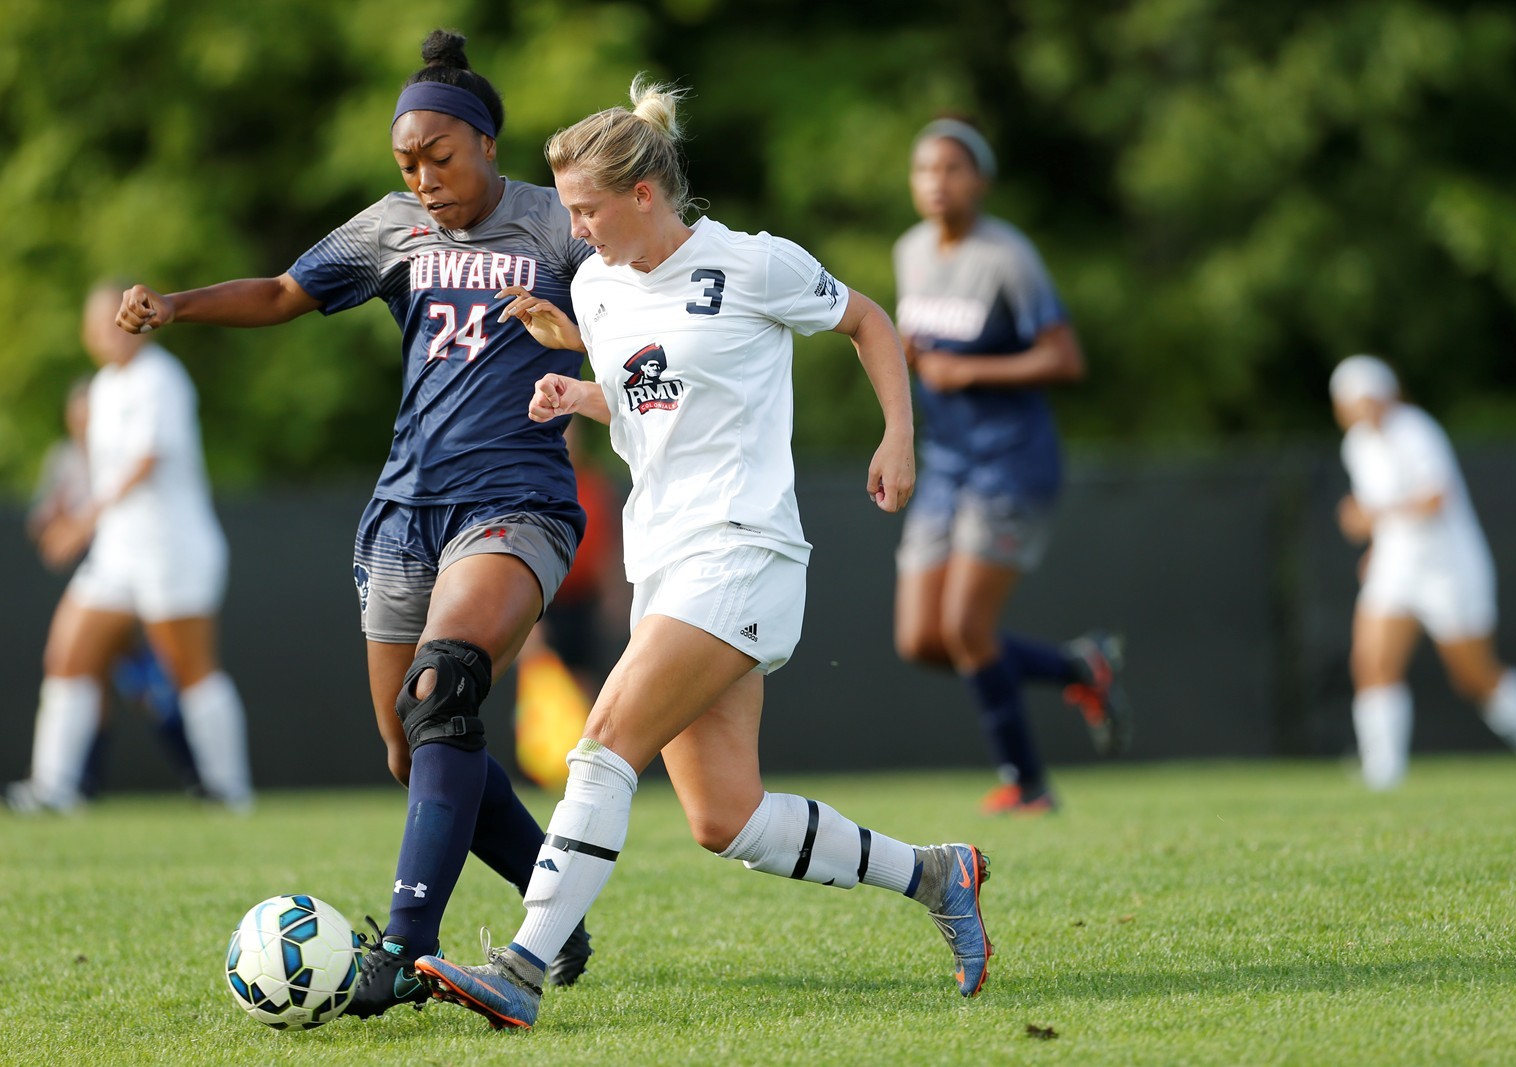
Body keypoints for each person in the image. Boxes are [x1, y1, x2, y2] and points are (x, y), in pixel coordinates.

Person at [413, 76, 994, 1032]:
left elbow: (868, 321)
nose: (576, 230)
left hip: (743, 548)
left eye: (587, 210)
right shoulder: (597, 286)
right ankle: (936, 874)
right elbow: (650, 393)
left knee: (603, 742)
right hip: (665, 561)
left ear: (644, 194)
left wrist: (900, 435)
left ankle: (521, 965)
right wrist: (579, 389)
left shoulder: (753, 264)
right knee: (726, 818)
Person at [112, 30, 595, 1017]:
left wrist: (587, 343)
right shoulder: (391, 228)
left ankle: (404, 950)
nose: (422, 179)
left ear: (487, 142)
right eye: (407, 163)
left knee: (441, 688)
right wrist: (177, 306)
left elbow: (645, 321)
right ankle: (555, 899)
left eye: (438, 157)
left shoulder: (558, 227)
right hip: (403, 512)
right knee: (413, 746)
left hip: (517, 501)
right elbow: (284, 293)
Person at [890, 117, 1130, 816]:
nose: (937, 182)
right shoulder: (910, 250)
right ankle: (1077, 666)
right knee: (922, 639)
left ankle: (1028, 784)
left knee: (967, 629)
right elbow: (918, 344)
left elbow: (1065, 357)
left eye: (952, 168)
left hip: (1010, 461)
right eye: (925, 169)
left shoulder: (1007, 257)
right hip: (946, 462)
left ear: (981, 180)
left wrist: (970, 370)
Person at [6, 283, 250, 815]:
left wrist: (81, 524)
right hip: (118, 553)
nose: (111, 330)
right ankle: (53, 789)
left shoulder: (161, 377)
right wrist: (71, 515)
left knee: (191, 670)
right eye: (99, 323)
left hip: (172, 548)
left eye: (119, 318)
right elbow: (102, 473)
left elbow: (145, 461)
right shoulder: (101, 387)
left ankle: (229, 791)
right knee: (68, 656)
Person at [1329, 354, 1516, 789]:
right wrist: (1376, 546)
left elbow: (1435, 499)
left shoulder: (1415, 430)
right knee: (1372, 662)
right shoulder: (1356, 445)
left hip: (1449, 569)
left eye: (1366, 399)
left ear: (1386, 396)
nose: (1360, 409)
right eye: (1351, 401)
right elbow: (1383, 512)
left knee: (1474, 676)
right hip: (1396, 567)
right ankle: (1382, 770)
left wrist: (1374, 516)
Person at [22, 378, 201, 800]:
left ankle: (201, 773)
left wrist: (83, 524)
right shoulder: (64, 460)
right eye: (76, 420)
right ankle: (76, 781)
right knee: (85, 675)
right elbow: (44, 523)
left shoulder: (126, 454)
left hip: (146, 577)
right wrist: (54, 523)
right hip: (100, 581)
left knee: (154, 684)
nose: (82, 427)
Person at [514, 420, 628, 790]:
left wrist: (613, 594)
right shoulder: (529, 481)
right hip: (545, 599)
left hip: (583, 599)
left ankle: (586, 767)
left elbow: (607, 544)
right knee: (543, 681)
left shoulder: (593, 483)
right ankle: (543, 766)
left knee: (586, 682)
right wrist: (527, 614)